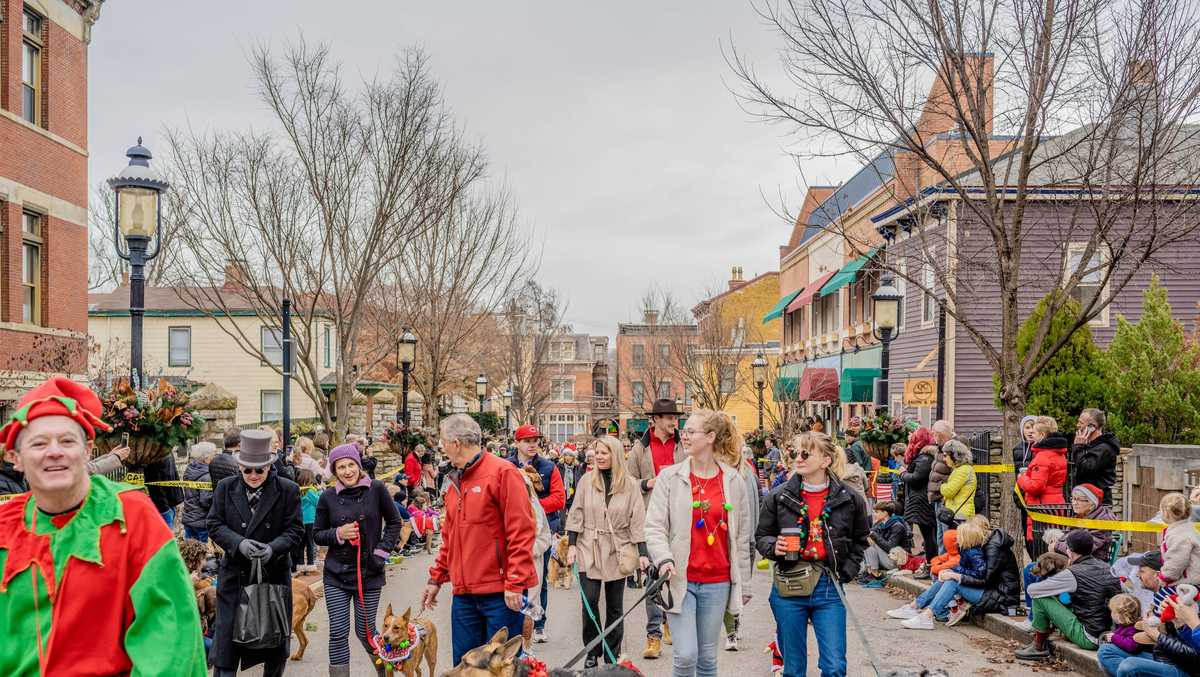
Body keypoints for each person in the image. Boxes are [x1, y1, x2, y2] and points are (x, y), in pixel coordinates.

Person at [0, 377, 205, 675]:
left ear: (88, 450)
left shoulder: (133, 518)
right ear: (15, 458)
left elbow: (170, 638)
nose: (54, 451)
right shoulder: (6, 530)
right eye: (39, 443)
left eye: (67, 440)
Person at [421, 414, 538, 667]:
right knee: (465, 667)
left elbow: (521, 531)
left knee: (499, 668)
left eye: (443, 441)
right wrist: (436, 578)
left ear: (456, 443)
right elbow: (450, 537)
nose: (441, 447)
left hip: (501, 593)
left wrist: (515, 582)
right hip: (464, 594)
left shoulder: (503, 473)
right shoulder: (454, 480)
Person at [644, 409, 753, 677]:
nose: (685, 435)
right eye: (685, 430)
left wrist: (745, 584)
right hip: (680, 577)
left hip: (718, 581)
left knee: (706, 658)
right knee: (685, 655)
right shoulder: (670, 478)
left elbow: (741, 537)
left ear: (711, 437)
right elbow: (654, 526)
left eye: (692, 431)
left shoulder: (733, 481)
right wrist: (663, 559)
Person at [757, 431, 870, 677]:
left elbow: (861, 539)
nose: (798, 458)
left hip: (829, 587)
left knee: (834, 667)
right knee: (794, 668)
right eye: (794, 452)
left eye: (806, 453)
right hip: (788, 586)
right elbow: (762, 535)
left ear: (826, 460)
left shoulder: (849, 498)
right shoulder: (779, 496)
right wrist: (773, 547)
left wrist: (846, 571)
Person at [208, 429, 305, 677]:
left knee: (273, 646)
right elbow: (215, 524)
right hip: (235, 578)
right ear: (239, 466)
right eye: (247, 469)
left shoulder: (288, 489)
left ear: (269, 467)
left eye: (259, 470)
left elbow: (295, 530)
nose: (253, 475)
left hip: (272, 578)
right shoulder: (225, 487)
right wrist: (238, 543)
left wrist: (273, 548)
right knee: (225, 650)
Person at [313, 443, 403, 677]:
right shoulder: (327, 497)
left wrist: (381, 553)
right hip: (336, 575)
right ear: (334, 470)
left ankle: (385, 672)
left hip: (369, 572)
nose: (347, 471)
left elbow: (394, 522)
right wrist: (337, 534)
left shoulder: (377, 489)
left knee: (365, 630)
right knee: (338, 631)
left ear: (359, 465)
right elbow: (317, 533)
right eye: (340, 467)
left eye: (351, 465)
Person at [565, 435, 649, 668]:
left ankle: (613, 653)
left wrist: (642, 552)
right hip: (588, 545)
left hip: (617, 548)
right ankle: (592, 650)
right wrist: (571, 545)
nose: (599, 457)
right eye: (597, 452)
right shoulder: (586, 481)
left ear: (616, 455)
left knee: (615, 606)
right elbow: (576, 513)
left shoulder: (631, 485)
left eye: (604, 453)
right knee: (589, 601)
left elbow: (637, 521)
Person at [627, 397, 686, 659]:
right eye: (670, 417)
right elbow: (628, 481)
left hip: (681, 519)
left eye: (676, 417)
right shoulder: (640, 449)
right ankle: (653, 636)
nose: (675, 421)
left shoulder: (684, 445)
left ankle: (669, 621)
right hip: (651, 519)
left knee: (676, 576)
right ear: (656, 420)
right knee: (653, 579)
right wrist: (645, 484)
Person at [1016, 529, 1122, 660]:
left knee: (1040, 598)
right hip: (1110, 634)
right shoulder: (1107, 567)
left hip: (1090, 638)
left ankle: (1039, 646)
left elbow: (1033, 590)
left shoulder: (1072, 573)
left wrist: (1054, 587)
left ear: (1069, 551)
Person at [507, 423, 566, 643]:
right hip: (512, 531)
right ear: (517, 443)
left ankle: (538, 624)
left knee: (537, 581)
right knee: (512, 578)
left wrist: (531, 507)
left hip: (542, 530)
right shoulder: (505, 466)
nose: (532, 445)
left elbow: (559, 499)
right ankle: (513, 624)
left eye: (535, 441)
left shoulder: (549, 467)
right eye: (527, 441)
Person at [890, 518, 987, 629]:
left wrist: (955, 573)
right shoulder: (967, 550)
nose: (957, 539)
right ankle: (915, 606)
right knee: (947, 577)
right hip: (976, 588)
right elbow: (965, 569)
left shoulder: (975, 553)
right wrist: (952, 571)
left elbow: (980, 574)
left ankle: (926, 615)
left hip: (984, 594)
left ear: (966, 538)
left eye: (959, 536)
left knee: (951, 581)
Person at [1017, 419, 1069, 542]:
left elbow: (1036, 487)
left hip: (1042, 507)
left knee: (1040, 549)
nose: (1031, 435)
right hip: (1055, 504)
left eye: (1034, 432)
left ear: (1042, 435)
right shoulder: (1059, 454)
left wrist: (1022, 478)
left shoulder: (1043, 457)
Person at [899, 429, 936, 575]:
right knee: (929, 535)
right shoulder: (925, 457)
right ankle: (930, 563)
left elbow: (916, 479)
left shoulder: (925, 458)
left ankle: (930, 565)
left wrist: (903, 473)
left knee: (928, 536)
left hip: (921, 502)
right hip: (921, 500)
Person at [1071, 408, 1120, 504]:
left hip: (1098, 502)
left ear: (1092, 427)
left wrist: (1078, 447)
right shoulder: (1089, 445)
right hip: (1084, 499)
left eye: (1081, 423)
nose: (1077, 426)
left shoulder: (1104, 447)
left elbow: (1086, 468)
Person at [859, 501, 910, 585]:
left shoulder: (897, 526)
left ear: (885, 513)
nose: (874, 514)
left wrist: (874, 536)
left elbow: (890, 548)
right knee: (867, 541)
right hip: (885, 558)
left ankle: (874, 574)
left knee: (872, 541)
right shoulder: (879, 523)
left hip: (896, 562)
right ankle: (871, 571)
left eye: (877, 512)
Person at [1096, 593, 1147, 676]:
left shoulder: (1134, 628)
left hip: (1136, 656)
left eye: (1112, 611)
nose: (1111, 614)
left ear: (1120, 615)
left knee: (1104, 655)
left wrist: (1114, 638)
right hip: (1130, 657)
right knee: (1102, 661)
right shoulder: (1122, 626)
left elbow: (1131, 645)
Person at [1157, 492, 1200, 586]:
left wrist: (1164, 577)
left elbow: (1177, 561)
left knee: (1160, 598)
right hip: (1188, 579)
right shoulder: (1184, 529)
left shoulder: (1179, 535)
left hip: (1189, 583)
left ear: (1166, 513)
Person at [926, 422, 955, 554]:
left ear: (941, 435)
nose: (933, 436)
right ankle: (940, 563)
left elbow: (954, 473)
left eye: (934, 433)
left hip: (944, 498)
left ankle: (946, 565)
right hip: (938, 496)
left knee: (945, 534)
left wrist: (942, 489)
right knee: (940, 534)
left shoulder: (951, 449)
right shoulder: (940, 448)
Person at [181, 441, 217, 542]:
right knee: (204, 554)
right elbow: (205, 501)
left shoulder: (189, 469)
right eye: (213, 455)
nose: (215, 458)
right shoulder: (207, 476)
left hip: (189, 518)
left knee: (190, 552)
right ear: (206, 459)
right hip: (201, 523)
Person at [939, 440, 977, 524]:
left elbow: (949, 491)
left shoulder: (962, 470)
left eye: (946, 455)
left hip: (960, 515)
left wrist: (942, 486)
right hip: (959, 513)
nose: (944, 459)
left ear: (955, 456)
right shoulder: (962, 469)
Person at [144, 453, 185, 527]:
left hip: (170, 504)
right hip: (164, 507)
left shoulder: (167, 452)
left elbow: (173, 475)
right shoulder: (154, 456)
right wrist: (165, 509)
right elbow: (155, 485)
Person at [294, 469, 320, 573]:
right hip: (310, 520)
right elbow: (318, 502)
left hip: (300, 520)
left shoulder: (298, 490)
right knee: (310, 543)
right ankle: (310, 564)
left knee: (301, 543)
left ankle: (300, 564)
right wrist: (319, 491)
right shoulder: (310, 491)